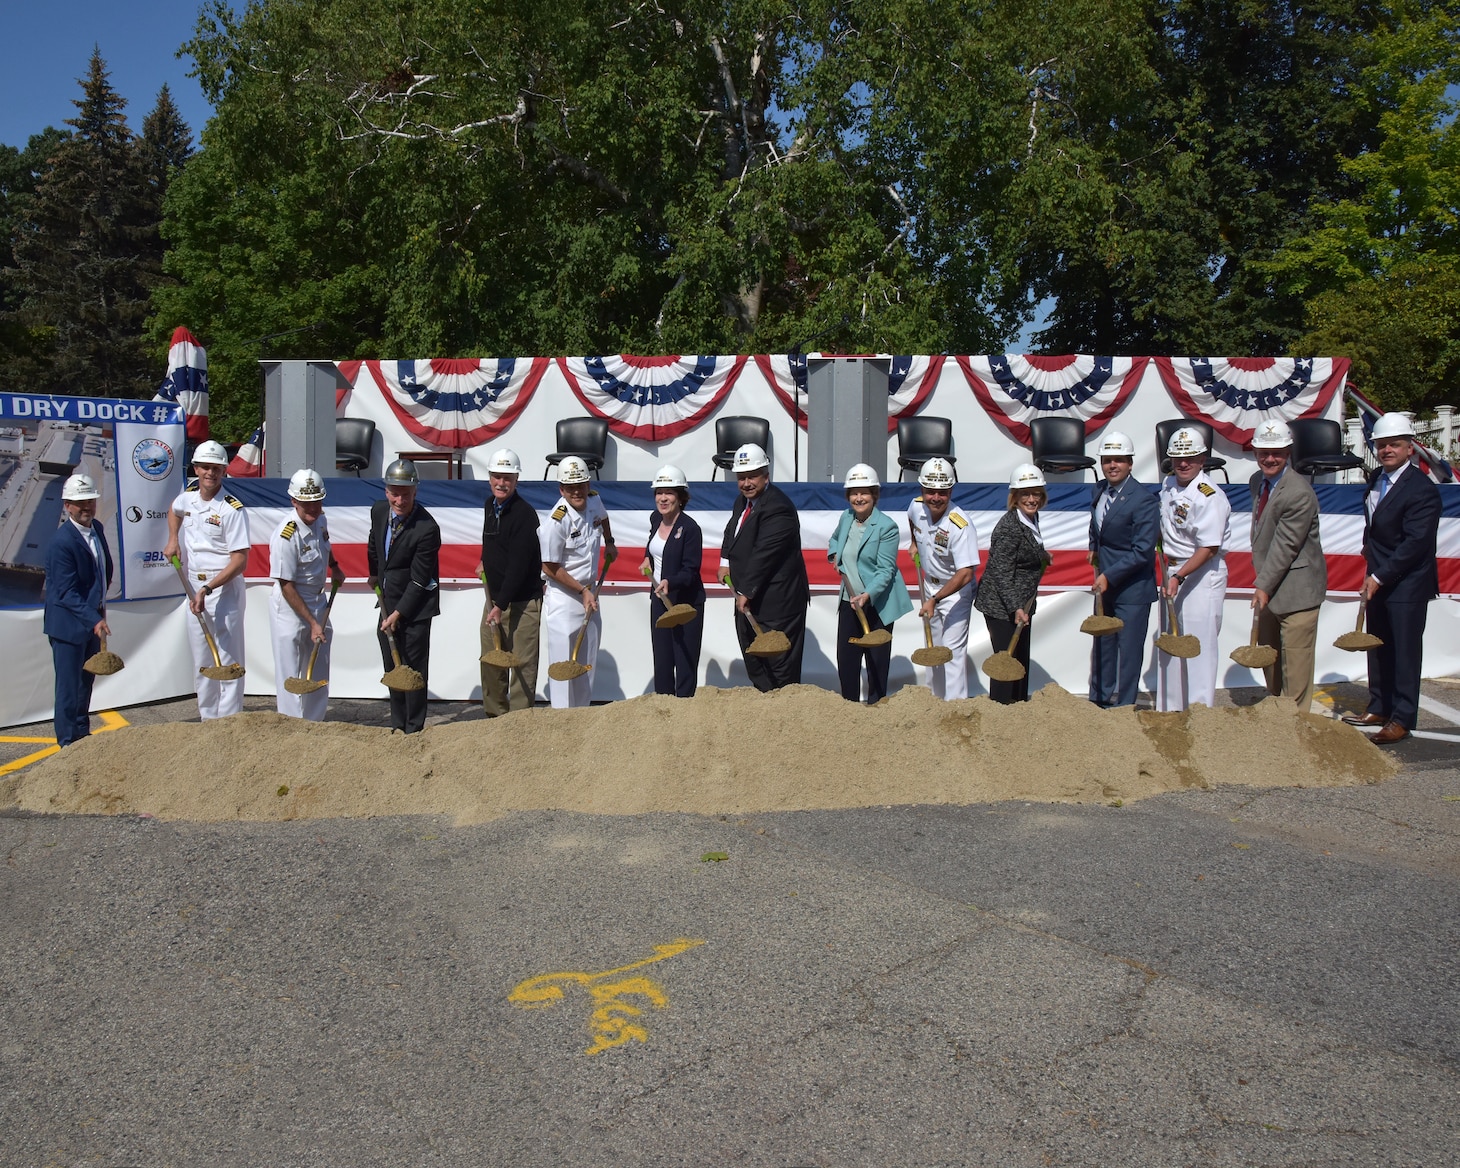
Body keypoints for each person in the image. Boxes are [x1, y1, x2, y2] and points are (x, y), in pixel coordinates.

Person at [1343, 412, 1442, 744]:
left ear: (1409, 447)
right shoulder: (1376, 478)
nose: (1387, 450)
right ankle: (1379, 705)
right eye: (1381, 445)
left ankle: (1401, 717)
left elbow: (1416, 543)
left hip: (1408, 582)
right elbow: (1376, 522)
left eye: (1394, 445)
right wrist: (1368, 550)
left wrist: (1380, 576)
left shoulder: (1422, 490)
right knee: (1378, 644)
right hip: (1380, 575)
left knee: (1404, 651)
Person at [164, 439, 249, 720]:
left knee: (228, 659)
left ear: (224, 471)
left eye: (216, 468)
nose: (210, 473)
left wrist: (207, 588)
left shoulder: (231, 509)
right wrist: (173, 538)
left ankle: (229, 722)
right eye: (204, 468)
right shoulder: (187, 497)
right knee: (202, 658)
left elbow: (239, 560)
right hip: (194, 587)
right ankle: (208, 720)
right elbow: (173, 511)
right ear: (196, 469)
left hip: (222, 588)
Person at [1248, 419, 1326, 712]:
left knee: (1295, 670)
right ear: (1255, 452)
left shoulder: (1298, 493)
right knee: (1271, 661)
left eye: (1277, 452)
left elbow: (1286, 546)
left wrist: (1262, 586)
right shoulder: (1257, 481)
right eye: (1263, 452)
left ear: (1289, 452)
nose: (1269, 458)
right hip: (1271, 587)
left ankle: (1297, 729)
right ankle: (1278, 721)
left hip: (1298, 591)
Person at [720, 442, 810, 691]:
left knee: (780, 667)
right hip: (750, 599)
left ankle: (785, 719)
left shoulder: (778, 507)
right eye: (741, 477)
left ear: (766, 475)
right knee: (755, 662)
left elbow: (765, 554)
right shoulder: (743, 501)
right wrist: (724, 561)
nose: (746, 483)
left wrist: (746, 590)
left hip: (778, 602)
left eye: (752, 477)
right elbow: (732, 531)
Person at [1157, 427, 1232, 711]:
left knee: (1198, 647)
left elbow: (1208, 547)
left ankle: (1200, 713)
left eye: (1190, 458)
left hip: (1200, 574)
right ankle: (1171, 712)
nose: (1183, 463)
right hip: (1173, 572)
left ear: (1202, 459)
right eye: (1177, 458)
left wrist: (1179, 575)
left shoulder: (1209, 495)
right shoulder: (1168, 486)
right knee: (1172, 648)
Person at [828, 464, 913, 703]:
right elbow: (835, 540)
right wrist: (834, 554)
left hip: (877, 603)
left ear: (874, 495)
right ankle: (849, 709)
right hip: (849, 600)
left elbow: (886, 571)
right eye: (854, 493)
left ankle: (877, 712)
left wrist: (867, 595)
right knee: (847, 661)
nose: (858, 498)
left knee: (876, 663)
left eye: (864, 492)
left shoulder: (886, 527)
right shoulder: (846, 518)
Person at [367, 459, 440, 733]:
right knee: (392, 669)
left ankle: (413, 727)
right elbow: (374, 544)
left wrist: (399, 614)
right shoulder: (378, 511)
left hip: (416, 609)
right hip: (388, 603)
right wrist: (374, 574)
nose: (400, 500)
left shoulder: (426, 528)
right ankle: (397, 725)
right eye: (395, 493)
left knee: (413, 671)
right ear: (386, 491)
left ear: (415, 491)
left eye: (405, 494)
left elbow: (421, 580)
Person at [1087, 431, 1160, 707]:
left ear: (1130, 463)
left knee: (1128, 651)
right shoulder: (1099, 490)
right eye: (1107, 460)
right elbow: (1096, 524)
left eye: (1118, 460)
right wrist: (1093, 546)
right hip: (1106, 586)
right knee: (1103, 647)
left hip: (1132, 588)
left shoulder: (1143, 500)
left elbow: (1142, 552)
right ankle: (1099, 701)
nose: (1112, 465)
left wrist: (1109, 575)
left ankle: (1125, 705)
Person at [43, 473, 113, 746]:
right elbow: (65, 593)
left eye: (90, 501)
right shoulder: (61, 543)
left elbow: (102, 571)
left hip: (90, 622)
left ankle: (82, 737)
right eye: (79, 502)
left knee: (85, 685)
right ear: (67, 506)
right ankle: (68, 743)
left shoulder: (96, 528)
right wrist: (93, 618)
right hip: (68, 627)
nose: (86, 507)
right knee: (69, 689)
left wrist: (100, 608)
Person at [269, 468, 345, 720]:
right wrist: (312, 623)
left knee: (319, 668)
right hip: (290, 607)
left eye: (317, 502)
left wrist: (334, 566)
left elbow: (325, 543)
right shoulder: (286, 535)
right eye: (306, 504)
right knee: (290, 674)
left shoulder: (320, 518)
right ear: (294, 501)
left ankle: (315, 723)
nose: (312, 508)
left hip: (317, 599)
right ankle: (291, 727)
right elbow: (286, 585)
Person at [540, 456, 616, 708]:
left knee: (586, 663)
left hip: (589, 594)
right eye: (570, 487)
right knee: (563, 666)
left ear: (587, 484)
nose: (576, 491)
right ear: (561, 489)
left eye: (581, 485)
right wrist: (582, 591)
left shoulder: (593, 500)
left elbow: (602, 517)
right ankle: (562, 722)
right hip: (565, 598)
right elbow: (549, 566)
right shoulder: (556, 521)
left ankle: (582, 717)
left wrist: (610, 542)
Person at [974, 464, 1051, 703]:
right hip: (1003, 606)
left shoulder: (1031, 518)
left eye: (1035, 493)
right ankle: (1002, 713)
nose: (1031, 499)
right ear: (1014, 497)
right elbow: (1001, 572)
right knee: (1005, 664)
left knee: (1019, 660)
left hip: (1022, 604)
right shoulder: (1009, 528)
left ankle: (1019, 711)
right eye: (1025, 494)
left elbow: (1023, 554)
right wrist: (1015, 607)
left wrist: (1042, 556)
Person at [906, 457, 978, 700]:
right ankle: (934, 702)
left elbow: (966, 573)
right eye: (930, 491)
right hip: (930, 587)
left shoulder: (961, 525)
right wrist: (915, 543)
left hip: (954, 593)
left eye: (942, 492)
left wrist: (934, 599)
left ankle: (956, 709)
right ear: (922, 490)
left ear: (951, 490)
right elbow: (912, 518)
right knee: (932, 650)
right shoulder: (916, 506)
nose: (935, 497)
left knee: (951, 653)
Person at [479, 448, 542, 716]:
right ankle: (493, 721)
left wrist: (500, 604)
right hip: (495, 600)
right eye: (496, 476)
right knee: (492, 663)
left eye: (507, 478)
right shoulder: (489, 506)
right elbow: (492, 543)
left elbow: (518, 565)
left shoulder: (525, 515)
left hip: (522, 603)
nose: (501, 483)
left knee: (521, 667)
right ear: (490, 477)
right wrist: (484, 561)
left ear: (516, 480)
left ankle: (518, 727)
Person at [641, 465, 705, 697]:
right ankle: (663, 709)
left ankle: (684, 713)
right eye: (659, 492)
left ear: (680, 497)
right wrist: (646, 559)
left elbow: (691, 570)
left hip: (685, 603)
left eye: (669, 493)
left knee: (685, 660)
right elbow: (654, 548)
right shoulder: (655, 518)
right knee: (663, 659)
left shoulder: (690, 529)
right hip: (660, 601)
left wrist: (670, 581)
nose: (663, 498)